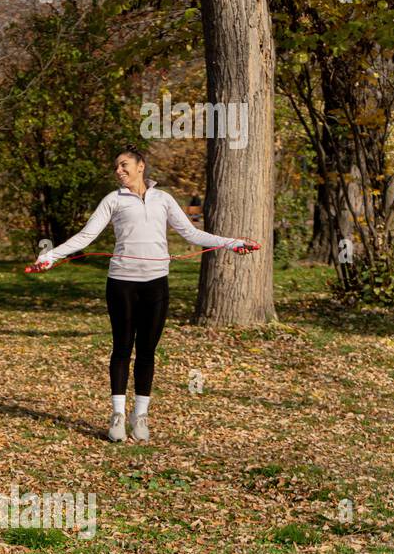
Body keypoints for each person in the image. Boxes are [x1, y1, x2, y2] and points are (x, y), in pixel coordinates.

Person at [30, 146, 257, 443]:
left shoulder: (163, 199)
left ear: (141, 166)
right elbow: (87, 235)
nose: (119, 171)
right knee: (122, 348)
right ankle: (117, 416)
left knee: (147, 351)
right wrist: (51, 256)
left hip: (155, 284)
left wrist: (231, 243)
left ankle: (141, 416)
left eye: (124, 165)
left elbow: (191, 234)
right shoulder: (113, 200)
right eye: (116, 167)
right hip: (121, 283)